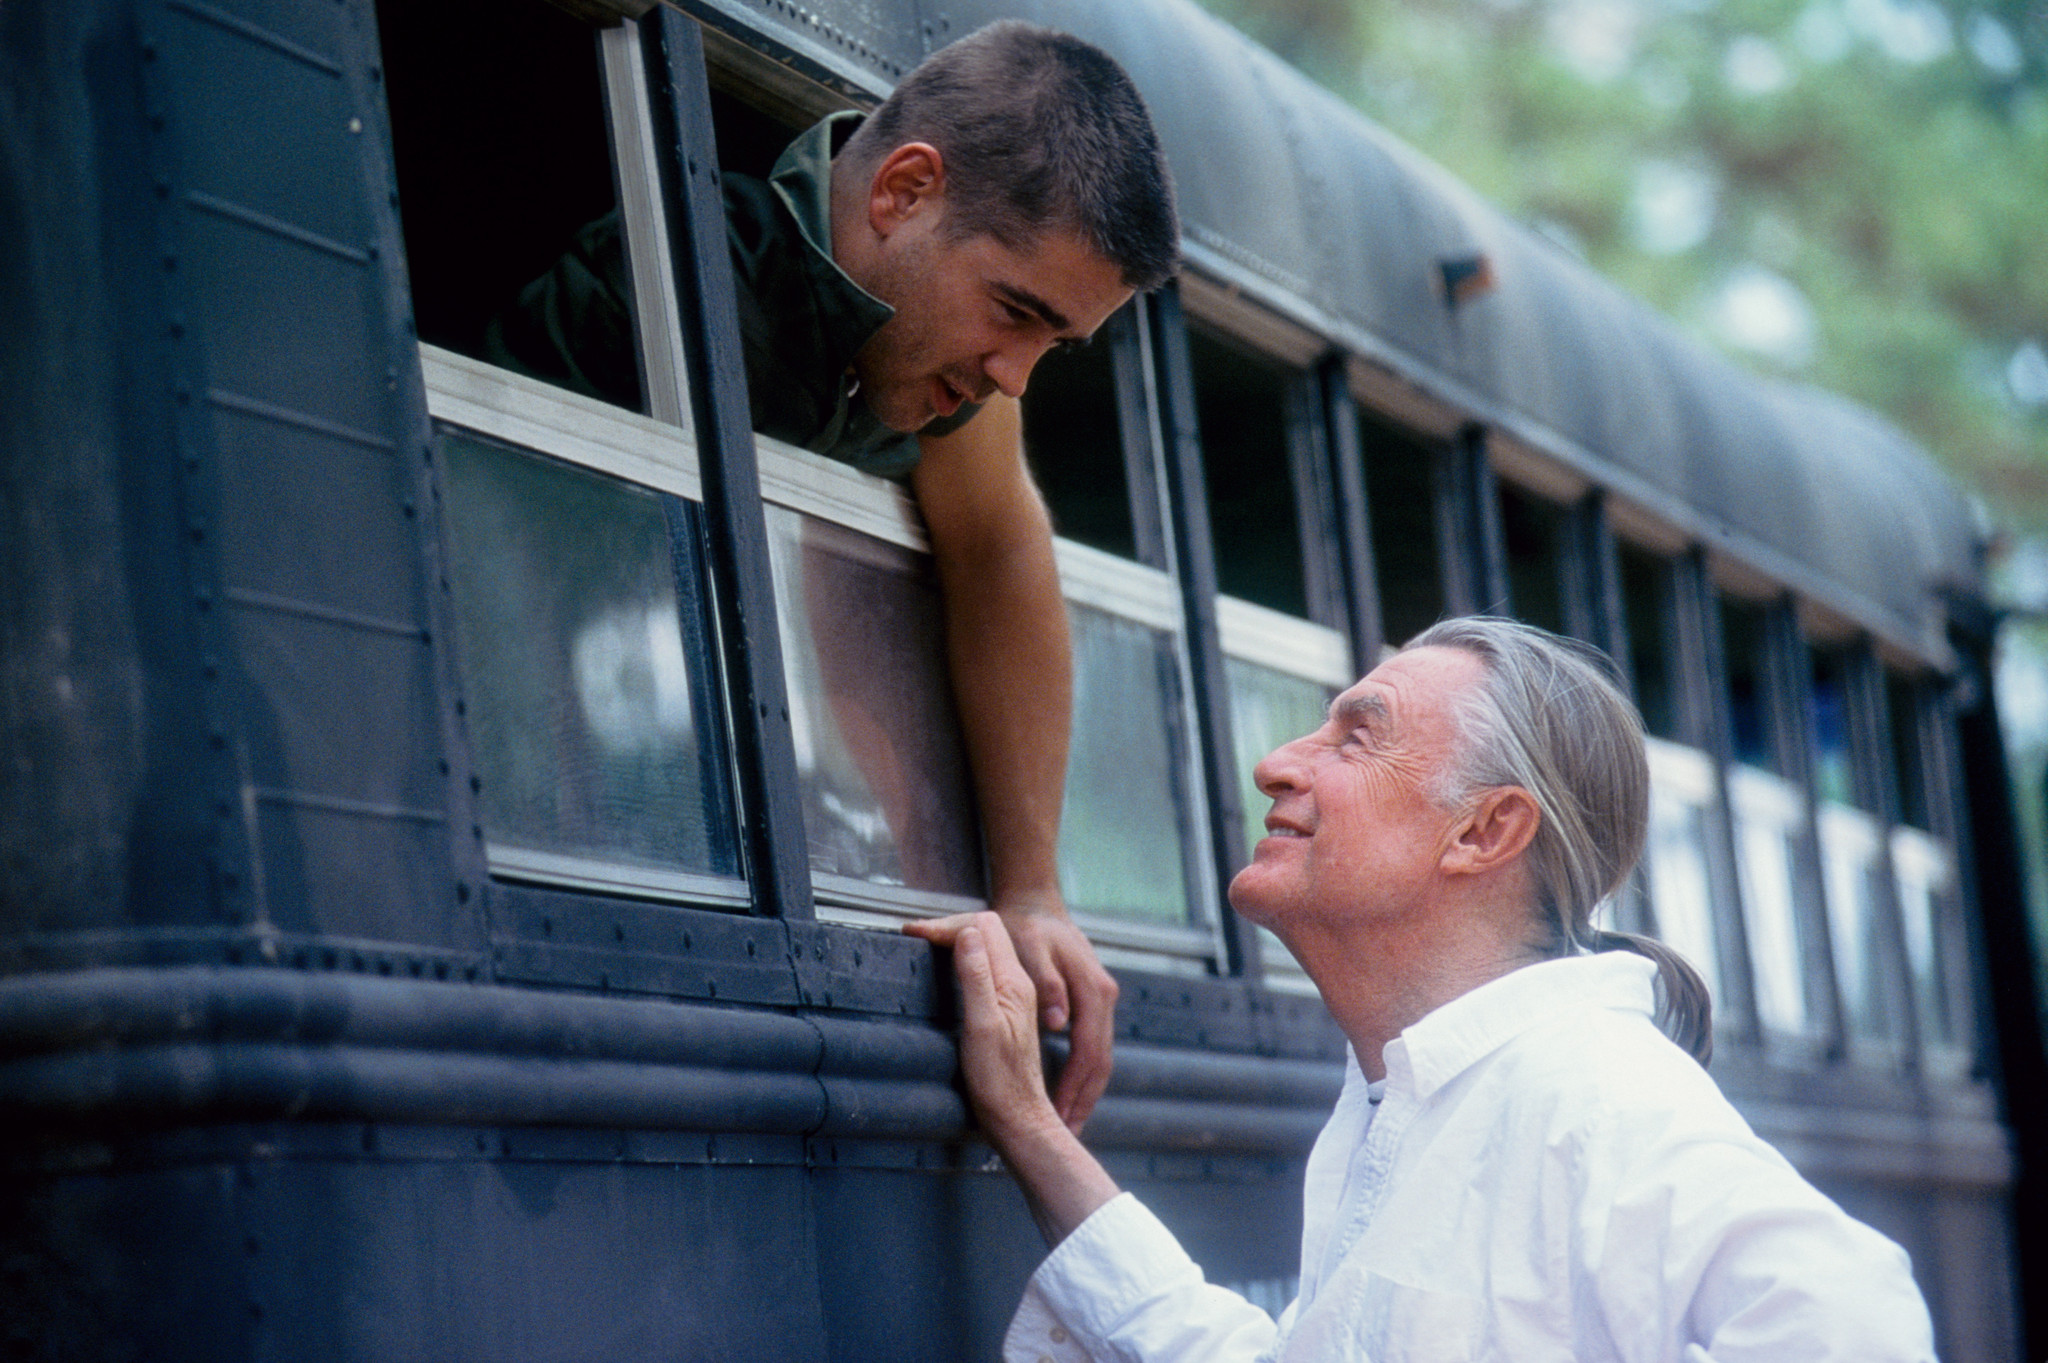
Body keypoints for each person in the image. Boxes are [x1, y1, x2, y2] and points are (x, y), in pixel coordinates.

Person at [907, 617, 1939, 1361]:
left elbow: (1853, 1324)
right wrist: (1030, 1128)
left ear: (1483, 830)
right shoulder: (1422, 1098)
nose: (1275, 763)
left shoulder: (1592, 1094)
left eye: (1356, 735)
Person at [490, 22, 1180, 1130]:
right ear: (903, 190)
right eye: (1014, 312)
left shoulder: (923, 365)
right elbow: (514, 578)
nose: (1011, 377)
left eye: (1052, 348)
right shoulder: (666, 280)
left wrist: (1031, 888)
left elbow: (1001, 554)